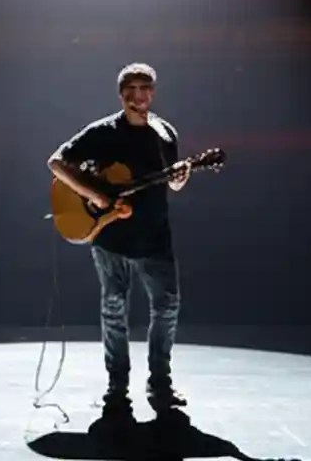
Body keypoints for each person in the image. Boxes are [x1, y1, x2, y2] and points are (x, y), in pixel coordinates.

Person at [47, 62, 191, 415]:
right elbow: (57, 162)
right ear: (120, 92)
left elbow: (171, 183)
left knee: (167, 306)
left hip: (155, 236)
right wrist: (96, 195)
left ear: (153, 93)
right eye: (130, 88)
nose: (138, 95)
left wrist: (180, 178)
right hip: (111, 236)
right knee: (114, 308)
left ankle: (160, 382)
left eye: (145, 88)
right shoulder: (103, 132)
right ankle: (117, 384)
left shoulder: (165, 134)